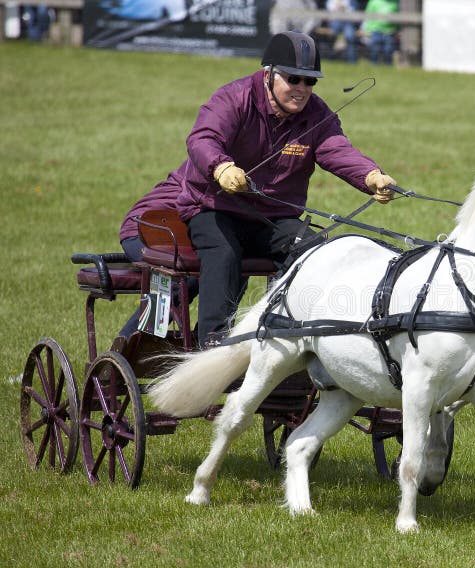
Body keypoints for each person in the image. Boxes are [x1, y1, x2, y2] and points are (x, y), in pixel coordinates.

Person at [171, 30, 397, 347]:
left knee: (313, 248)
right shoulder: (233, 98)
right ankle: (212, 347)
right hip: (214, 208)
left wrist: (371, 175)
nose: (302, 89)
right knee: (224, 255)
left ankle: (290, 339)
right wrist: (221, 167)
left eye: (310, 81)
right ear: (269, 75)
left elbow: (337, 150)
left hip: (273, 217)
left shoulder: (317, 114)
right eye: (294, 79)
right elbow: (202, 139)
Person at [117, 178, 199, 338]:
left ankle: (207, 342)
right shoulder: (214, 160)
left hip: (186, 236)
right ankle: (129, 345)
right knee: (178, 280)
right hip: (144, 230)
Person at [362, 0, 398, 65]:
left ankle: (388, 66)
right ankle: (374, 65)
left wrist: (397, 30)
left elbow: (398, 17)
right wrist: (367, 30)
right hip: (376, 30)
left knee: (388, 50)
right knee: (375, 48)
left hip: (390, 31)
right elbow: (368, 16)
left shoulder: (395, 2)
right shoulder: (373, 2)